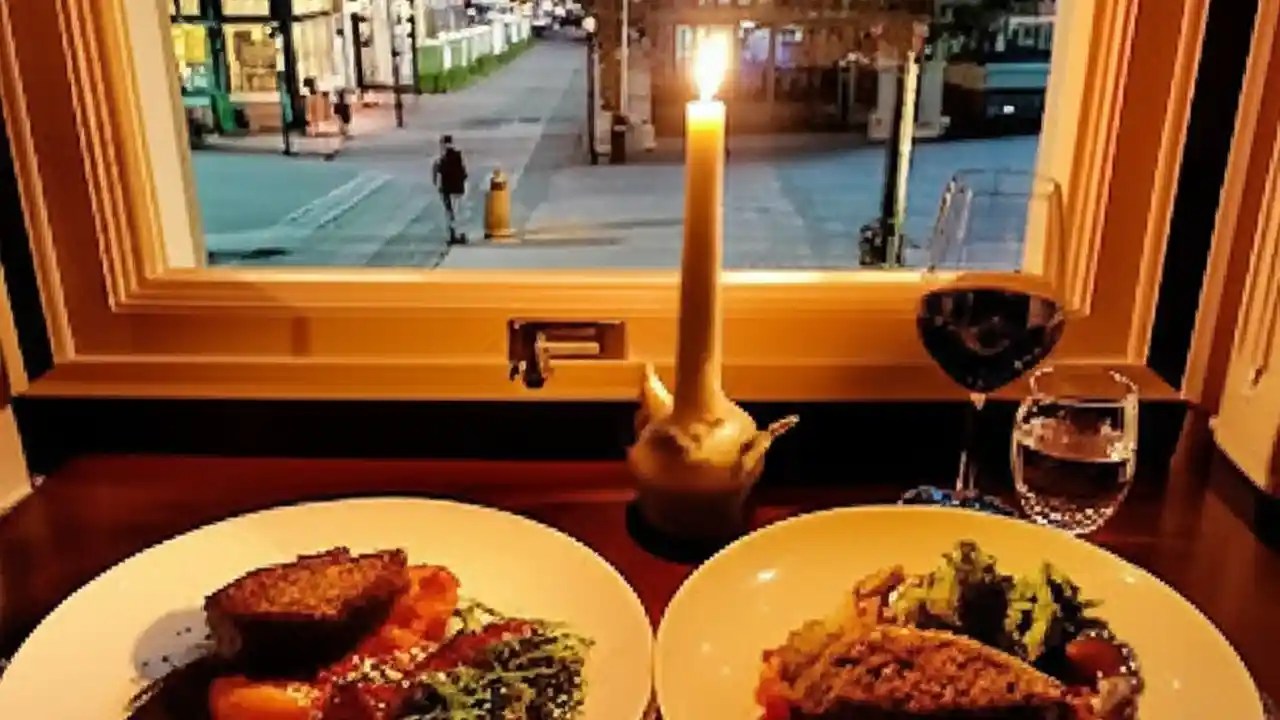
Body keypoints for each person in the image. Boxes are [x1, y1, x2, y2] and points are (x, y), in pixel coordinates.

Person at [433, 135, 469, 244]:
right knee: (457, 212)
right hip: (458, 189)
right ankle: (458, 234)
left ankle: (453, 235)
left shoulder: (441, 160)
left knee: (450, 213)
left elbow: (436, 175)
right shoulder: (459, 156)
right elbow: (465, 173)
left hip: (447, 190)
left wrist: (438, 185)